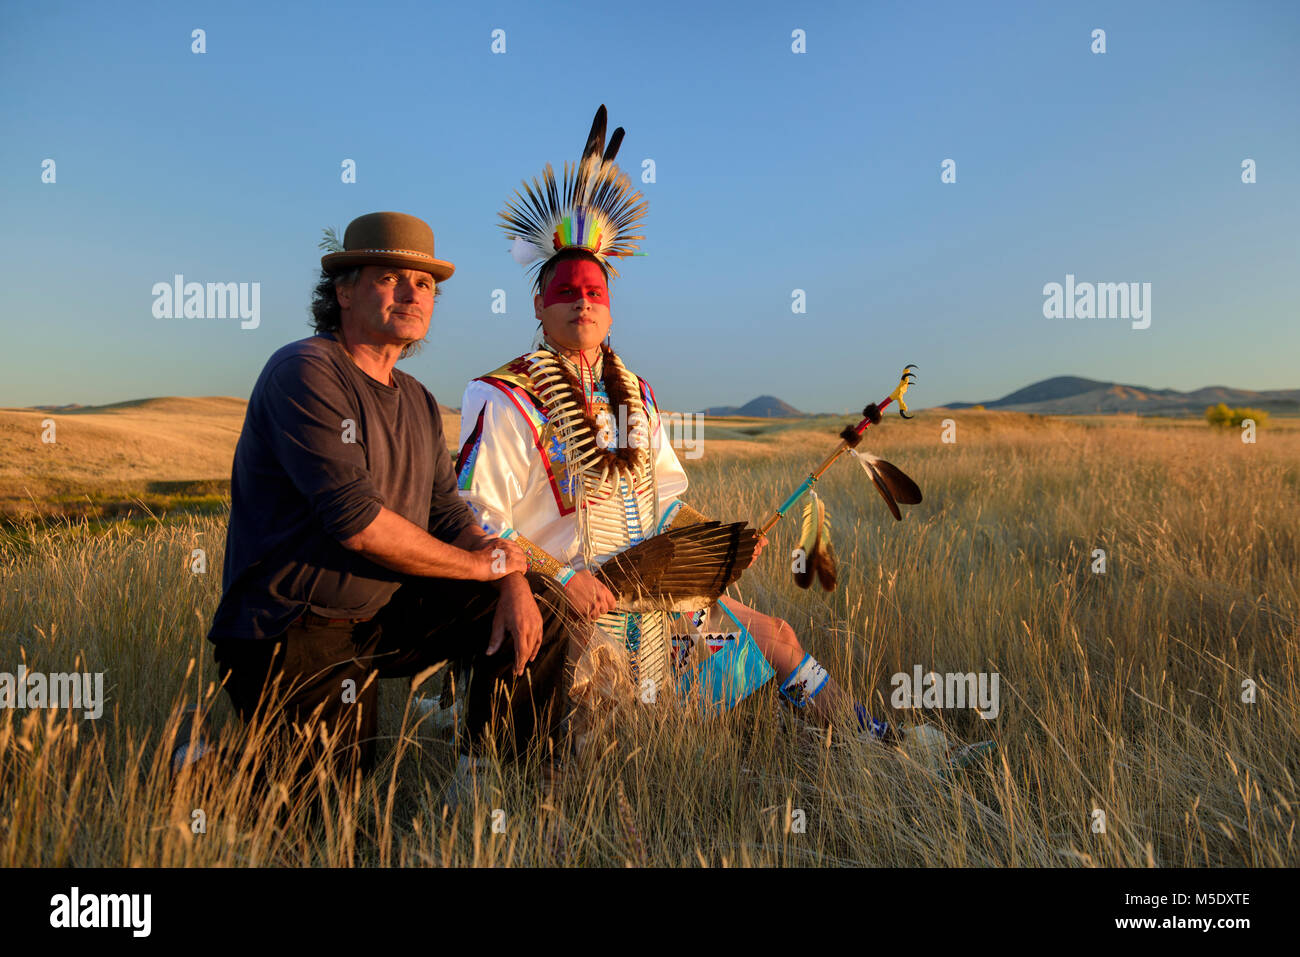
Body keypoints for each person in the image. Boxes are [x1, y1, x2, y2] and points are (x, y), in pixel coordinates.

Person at [455, 108, 893, 737]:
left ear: (610, 309)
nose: (582, 301)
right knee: (595, 735)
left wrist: (718, 555)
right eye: (566, 290)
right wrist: (562, 577)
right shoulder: (503, 394)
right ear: (537, 305)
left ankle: (873, 743)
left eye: (595, 292)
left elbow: (664, 500)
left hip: (655, 595)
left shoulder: (636, 393)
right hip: (570, 606)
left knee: (775, 634)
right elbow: (478, 515)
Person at [204, 211, 573, 798]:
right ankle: (202, 772)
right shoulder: (306, 372)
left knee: (544, 605)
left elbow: (449, 514)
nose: (412, 293)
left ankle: (501, 782)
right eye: (390, 278)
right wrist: (483, 567)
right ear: (344, 291)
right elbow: (357, 524)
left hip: (382, 614)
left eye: (424, 284)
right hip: (294, 625)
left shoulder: (420, 402)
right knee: (323, 817)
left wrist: (508, 578)